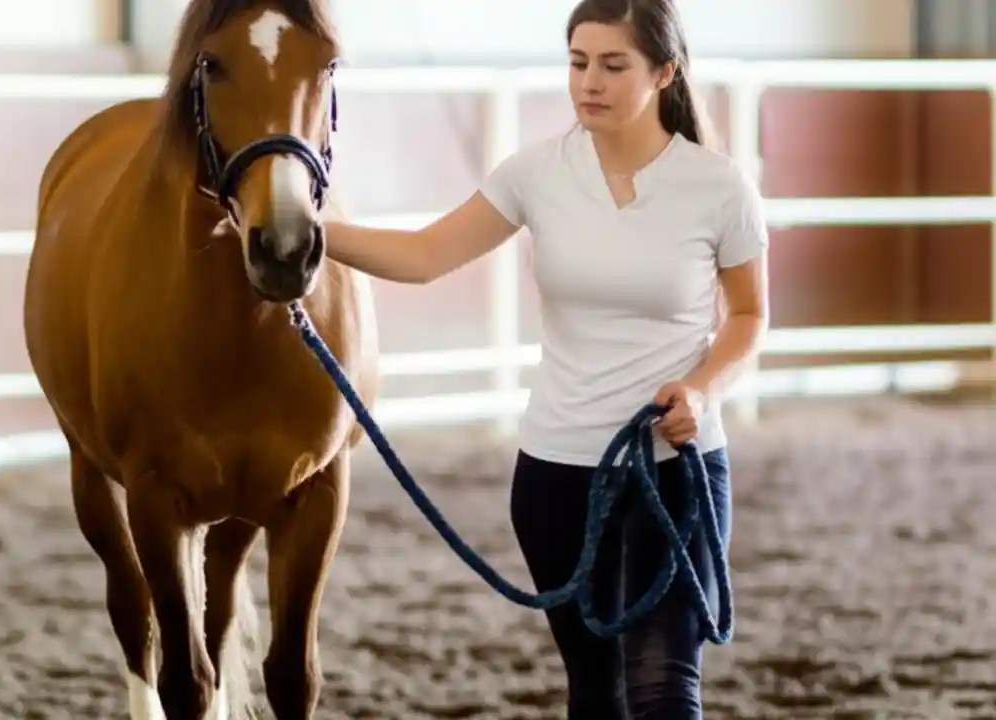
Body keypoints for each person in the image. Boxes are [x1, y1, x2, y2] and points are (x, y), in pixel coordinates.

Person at [321, 0, 769, 717]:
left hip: (673, 464)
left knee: (662, 685)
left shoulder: (718, 187)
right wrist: (305, 233)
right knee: (595, 685)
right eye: (578, 62)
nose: (589, 82)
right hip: (557, 470)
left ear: (665, 72)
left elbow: (748, 316)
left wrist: (703, 390)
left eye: (613, 65)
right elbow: (425, 254)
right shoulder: (537, 173)